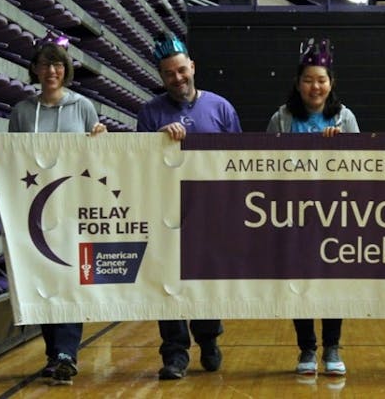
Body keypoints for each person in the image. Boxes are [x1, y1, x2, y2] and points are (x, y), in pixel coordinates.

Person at [0, 32, 108, 385]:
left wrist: (100, 138)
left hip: (73, 208)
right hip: (34, 211)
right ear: (34, 70)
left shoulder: (83, 107)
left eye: (57, 64)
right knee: (44, 280)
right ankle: (55, 353)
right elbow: (12, 160)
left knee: (69, 279)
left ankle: (66, 352)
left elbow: (98, 159)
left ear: (65, 69)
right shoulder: (22, 112)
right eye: (45, 64)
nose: (51, 71)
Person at [136, 34, 242, 380]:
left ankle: (208, 339)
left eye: (181, 70)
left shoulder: (221, 108)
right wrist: (158, 142)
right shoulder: (149, 113)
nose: (177, 78)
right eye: (169, 74)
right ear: (161, 76)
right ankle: (175, 353)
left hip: (210, 212)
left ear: (192, 67)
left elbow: (239, 160)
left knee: (205, 281)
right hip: (166, 211)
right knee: (167, 283)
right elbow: (138, 164)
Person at [266, 37, 357, 376]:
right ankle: (306, 348)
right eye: (308, 80)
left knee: (333, 282)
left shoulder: (345, 118)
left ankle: (332, 346)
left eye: (321, 80)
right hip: (294, 215)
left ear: (331, 83)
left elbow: (361, 166)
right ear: (297, 83)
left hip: (334, 214)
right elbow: (265, 165)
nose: (315, 87)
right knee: (299, 282)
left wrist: (340, 148)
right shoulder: (281, 118)